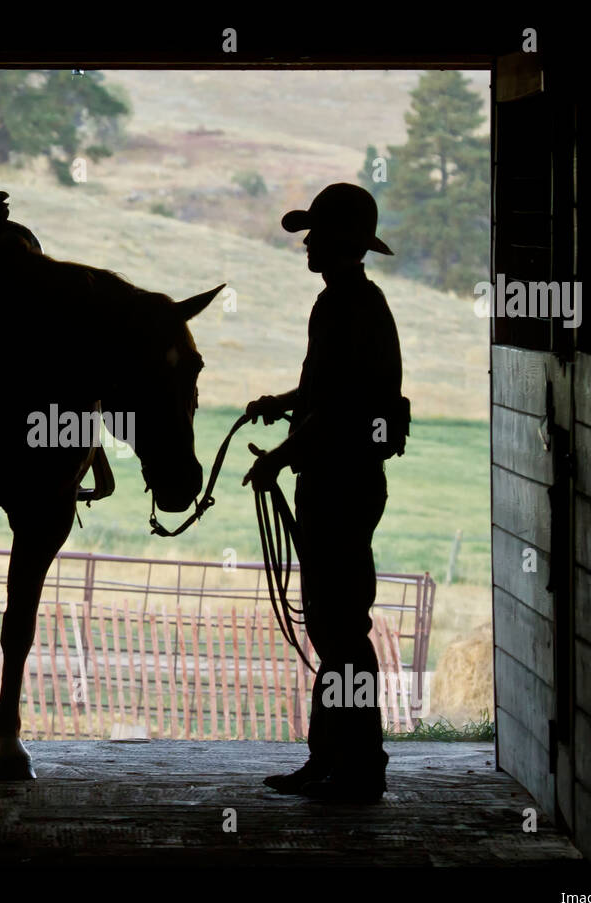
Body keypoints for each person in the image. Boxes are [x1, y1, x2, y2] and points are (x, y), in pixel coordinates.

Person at [242, 183, 408, 802]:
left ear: (338, 241)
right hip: (343, 479)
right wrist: (281, 404)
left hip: (340, 482)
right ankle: (335, 757)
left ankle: (356, 763)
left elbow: (339, 406)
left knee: (340, 633)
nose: (307, 242)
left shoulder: (345, 307)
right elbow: (329, 390)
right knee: (337, 631)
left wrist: (280, 459)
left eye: (315, 233)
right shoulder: (348, 302)